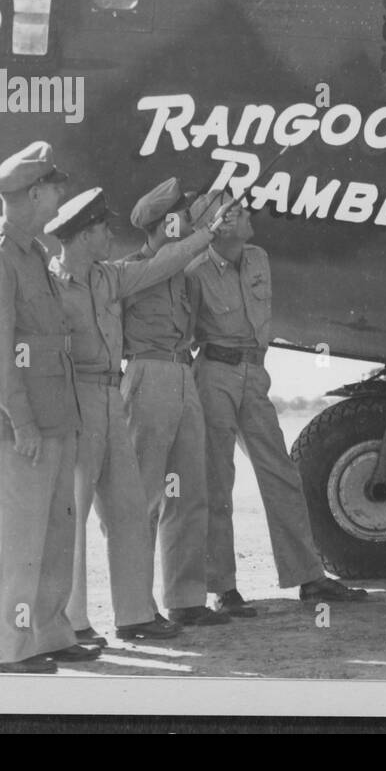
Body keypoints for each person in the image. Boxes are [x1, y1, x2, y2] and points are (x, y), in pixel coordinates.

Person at [46, 187, 235, 645]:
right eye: (101, 230)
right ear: (83, 235)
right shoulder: (52, 286)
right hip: (80, 399)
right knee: (76, 510)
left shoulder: (109, 278)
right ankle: (71, 621)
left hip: (112, 394)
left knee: (130, 508)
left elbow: (165, 263)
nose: (109, 236)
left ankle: (135, 616)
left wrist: (207, 231)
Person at [187, 205, 367, 611]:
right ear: (214, 227)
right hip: (214, 373)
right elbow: (185, 335)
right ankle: (223, 589)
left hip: (255, 375)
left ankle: (309, 577)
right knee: (217, 482)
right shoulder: (194, 272)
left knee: (282, 475)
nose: (245, 211)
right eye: (232, 209)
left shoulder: (258, 259)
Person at [0, 141, 95, 673]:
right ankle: (12, 648)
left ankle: (48, 632)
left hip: (54, 417)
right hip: (23, 423)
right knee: (21, 540)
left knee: (54, 533)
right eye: (54, 190)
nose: (60, 198)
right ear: (35, 192)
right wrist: (22, 422)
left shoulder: (35, 255)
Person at [121, 178, 232, 627]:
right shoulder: (133, 268)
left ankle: (185, 599)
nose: (189, 221)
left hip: (181, 373)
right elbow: (172, 261)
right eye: (183, 216)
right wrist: (205, 234)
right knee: (145, 497)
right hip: (148, 375)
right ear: (164, 222)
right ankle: (136, 606)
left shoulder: (182, 268)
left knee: (187, 491)